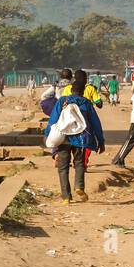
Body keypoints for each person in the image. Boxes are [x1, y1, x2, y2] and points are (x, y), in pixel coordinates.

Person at [49, 69, 105, 203]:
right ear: (82, 91)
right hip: (81, 139)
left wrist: (48, 135)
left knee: (63, 168)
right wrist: (100, 141)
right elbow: (95, 123)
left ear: (72, 90)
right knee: (79, 163)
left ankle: (66, 197)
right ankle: (79, 186)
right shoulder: (86, 103)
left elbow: (53, 120)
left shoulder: (63, 100)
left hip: (64, 138)